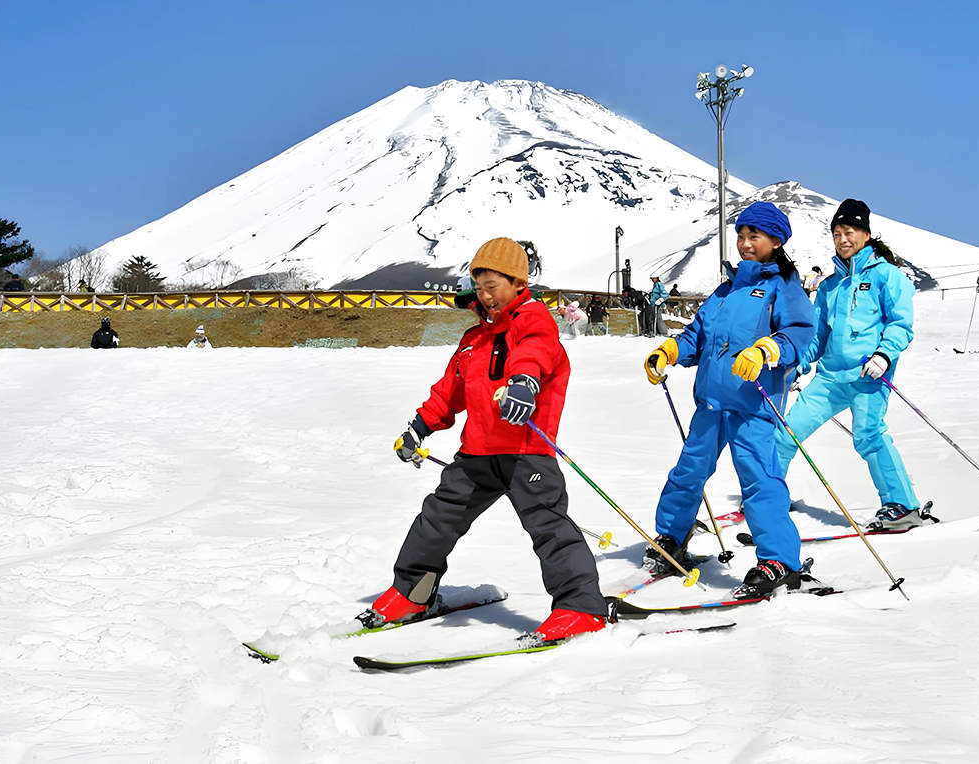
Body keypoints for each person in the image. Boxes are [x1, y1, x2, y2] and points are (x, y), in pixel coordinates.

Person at [368, 237, 608, 643]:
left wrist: (525, 382)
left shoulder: (533, 321)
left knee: (550, 530)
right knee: (436, 520)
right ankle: (413, 592)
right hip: (476, 454)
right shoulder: (473, 340)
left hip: (526, 454)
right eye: (478, 287)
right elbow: (449, 391)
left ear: (517, 282)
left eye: (492, 287)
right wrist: (418, 427)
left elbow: (535, 351)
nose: (485, 296)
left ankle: (580, 606)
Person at [642, 201, 816, 598]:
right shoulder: (725, 289)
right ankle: (671, 536)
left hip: (753, 404)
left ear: (776, 240)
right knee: (688, 471)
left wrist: (767, 350)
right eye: (740, 235)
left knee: (759, 479)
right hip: (711, 402)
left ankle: (779, 560)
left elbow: (800, 333)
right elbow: (698, 336)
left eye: (753, 235)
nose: (744, 243)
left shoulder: (782, 286)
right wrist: (670, 351)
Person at [778, 198, 930, 531]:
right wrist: (797, 366)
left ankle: (902, 505)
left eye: (849, 232)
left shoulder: (887, 276)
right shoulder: (830, 285)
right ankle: (769, 496)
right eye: (837, 233)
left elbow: (900, 324)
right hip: (830, 377)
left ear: (864, 233)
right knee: (788, 432)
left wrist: (884, 355)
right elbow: (818, 337)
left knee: (869, 436)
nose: (843, 239)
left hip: (868, 375)